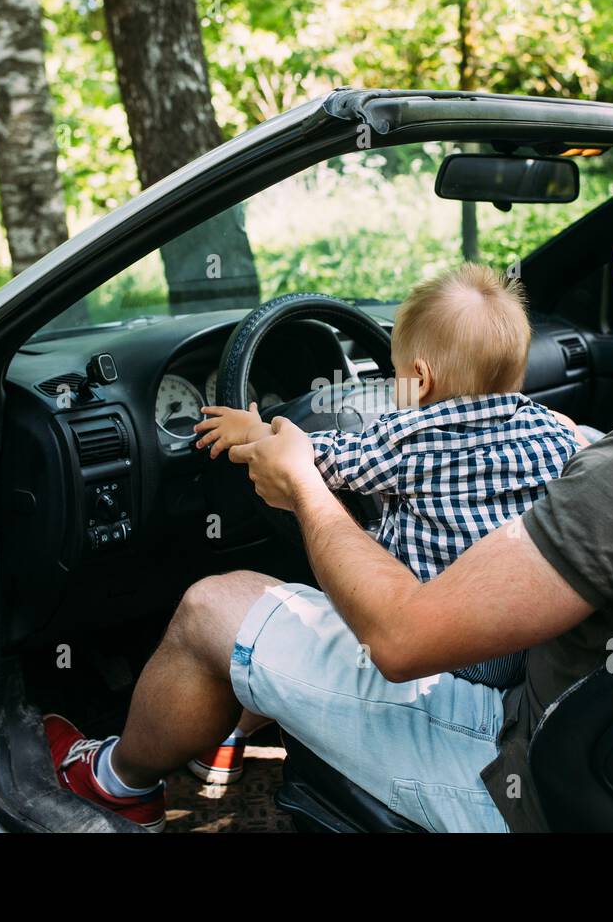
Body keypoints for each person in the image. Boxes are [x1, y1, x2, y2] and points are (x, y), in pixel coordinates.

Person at [44, 129, 613, 832]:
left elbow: (403, 641)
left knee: (209, 607)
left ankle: (114, 783)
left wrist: (303, 482)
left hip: (524, 780)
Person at [182, 264, 580, 785]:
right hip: (520, 639)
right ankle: (236, 729)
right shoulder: (551, 429)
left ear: (420, 379)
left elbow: (308, 460)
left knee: (317, 606)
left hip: (444, 647)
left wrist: (251, 427)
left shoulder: (405, 439)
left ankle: (225, 732)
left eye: (393, 375)